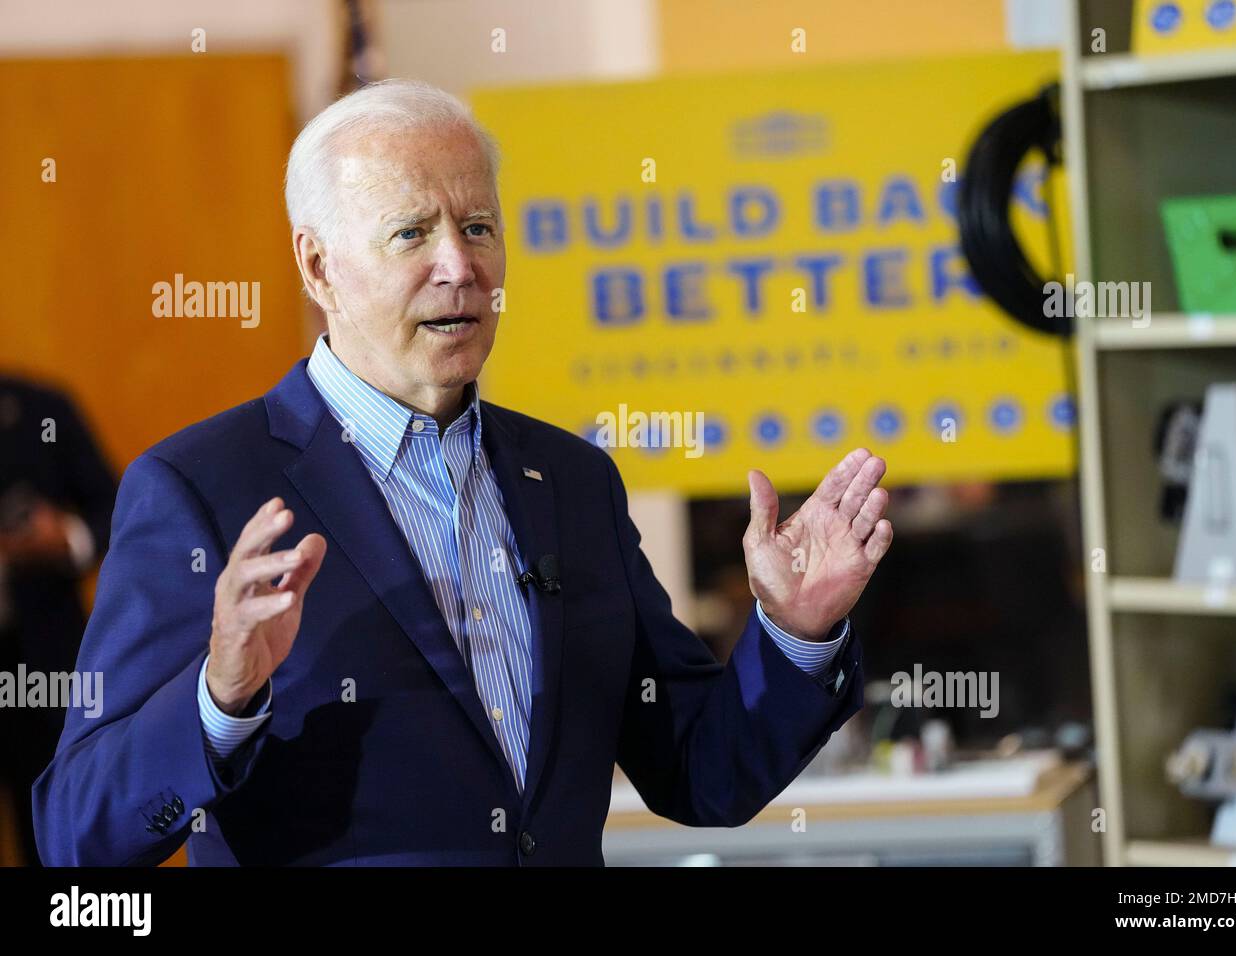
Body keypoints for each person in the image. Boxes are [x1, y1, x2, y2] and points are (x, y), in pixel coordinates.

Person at [32, 79, 893, 866]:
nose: (461, 267)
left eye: (478, 226)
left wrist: (795, 636)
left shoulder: (574, 481)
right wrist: (219, 698)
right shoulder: (200, 490)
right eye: (412, 233)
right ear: (318, 266)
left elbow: (702, 774)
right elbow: (76, 834)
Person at [0, 374, 117, 865]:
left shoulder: (39, 407)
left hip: (41, 668)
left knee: (54, 837)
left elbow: (115, 510)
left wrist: (64, 539)